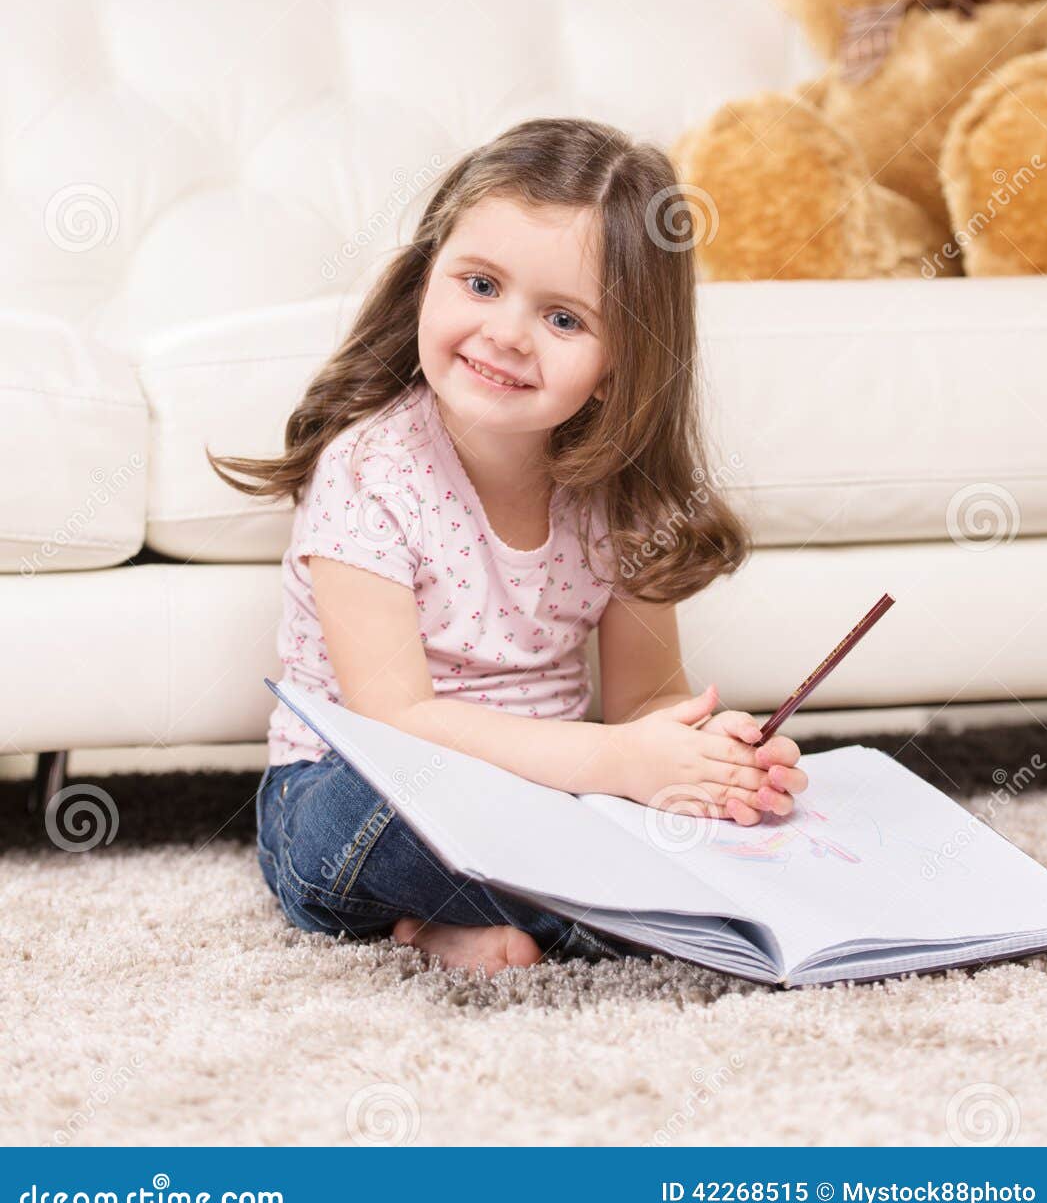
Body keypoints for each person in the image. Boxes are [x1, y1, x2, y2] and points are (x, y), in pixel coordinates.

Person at [209, 118, 808, 976]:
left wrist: (708, 761)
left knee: (636, 819)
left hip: (546, 800)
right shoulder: (369, 471)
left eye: (564, 317)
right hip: (366, 788)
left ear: (620, 364)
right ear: (426, 280)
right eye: (481, 284)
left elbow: (646, 701)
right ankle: (590, 906)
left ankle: (467, 920)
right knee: (367, 813)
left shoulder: (622, 497)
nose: (507, 334)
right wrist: (615, 764)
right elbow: (397, 721)